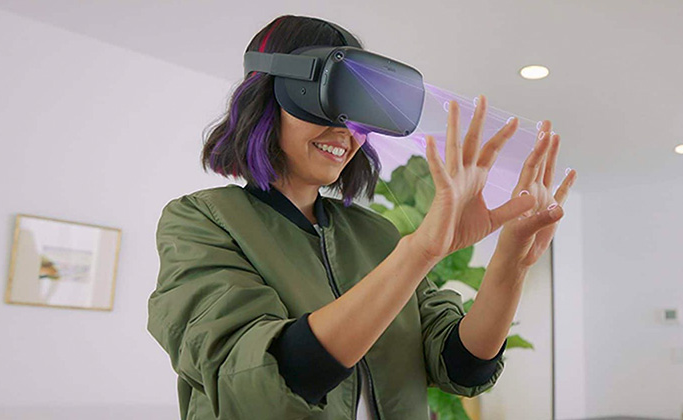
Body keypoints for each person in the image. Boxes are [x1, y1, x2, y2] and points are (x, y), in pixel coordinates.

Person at [147, 14, 577, 420]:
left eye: (359, 116)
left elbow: (462, 367)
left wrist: (512, 259)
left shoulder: (375, 234)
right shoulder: (203, 220)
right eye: (329, 106)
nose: (346, 132)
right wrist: (421, 251)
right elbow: (257, 380)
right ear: (267, 98)